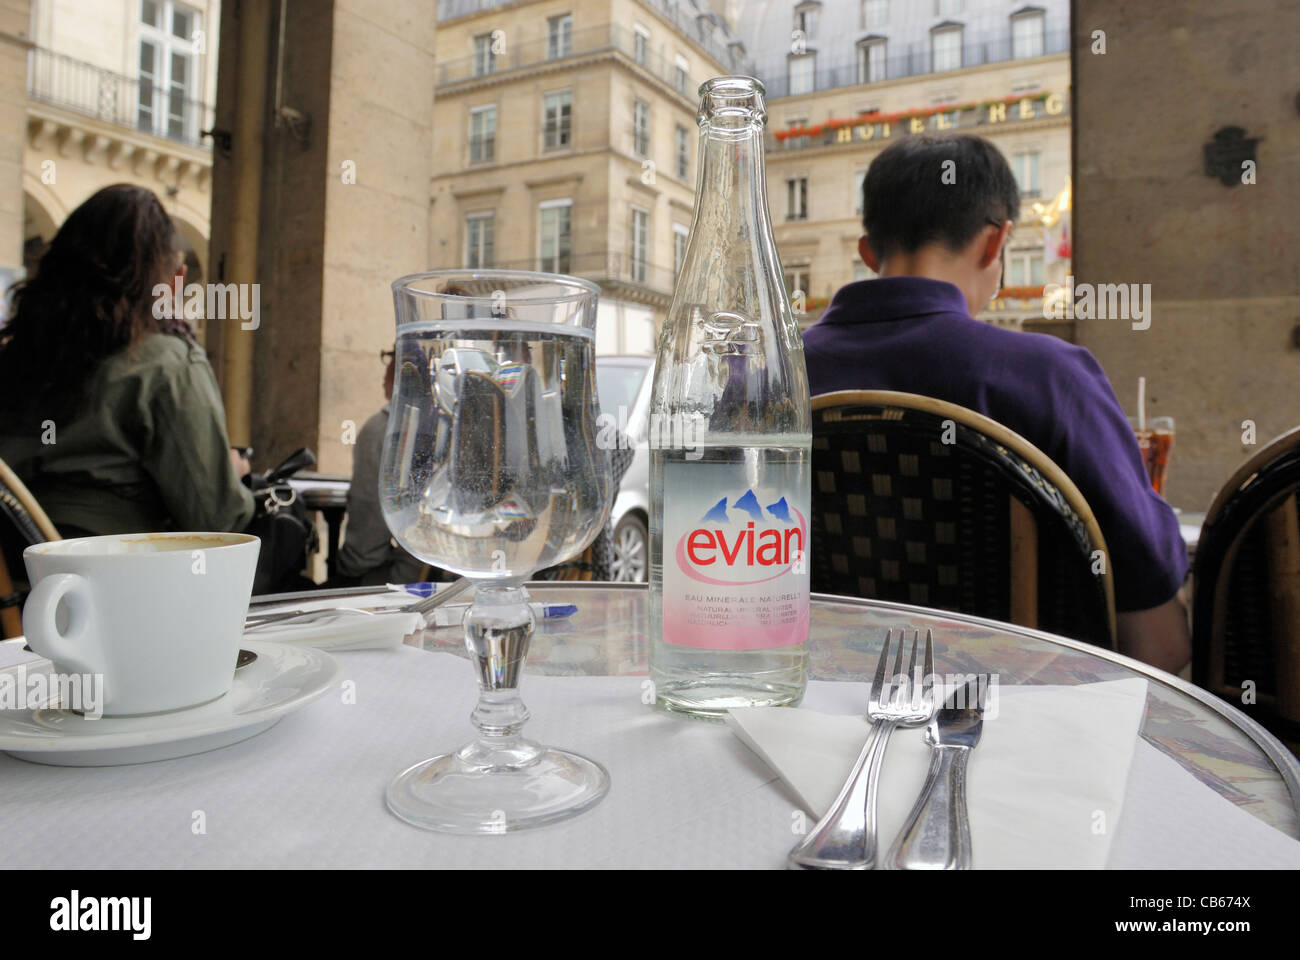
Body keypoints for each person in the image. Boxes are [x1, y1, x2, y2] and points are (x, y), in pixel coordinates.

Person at [802, 134, 1190, 673]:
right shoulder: (1051, 377)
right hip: (1026, 720)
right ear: (995, 242)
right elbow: (1153, 622)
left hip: (812, 707)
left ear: (868, 252)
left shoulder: (769, 377)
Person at [0, 184, 255, 540]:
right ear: (169, 282)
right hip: (114, 583)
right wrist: (231, 472)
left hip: (16, 577)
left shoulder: (15, 357)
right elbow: (216, 518)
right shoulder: (166, 365)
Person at [332, 349, 427, 586]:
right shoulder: (447, 423)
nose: (387, 364)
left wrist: (343, 574)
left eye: (393, 353)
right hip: (439, 579)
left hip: (391, 584)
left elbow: (365, 547)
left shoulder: (381, 430)